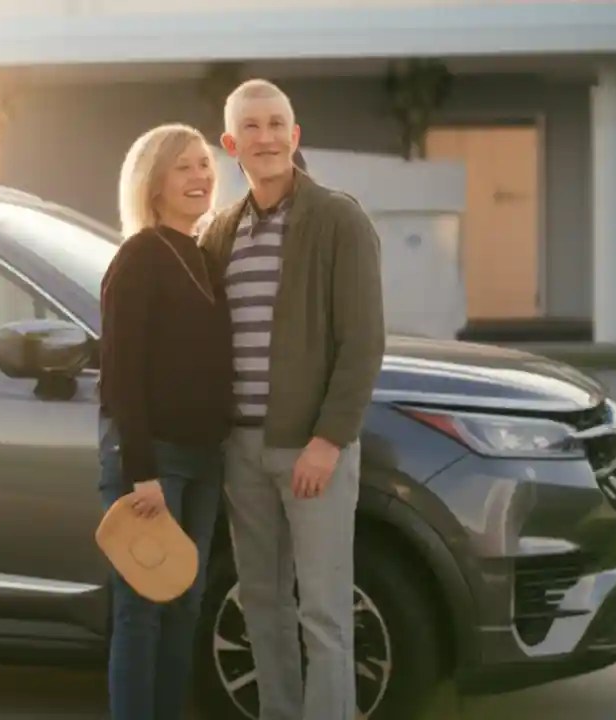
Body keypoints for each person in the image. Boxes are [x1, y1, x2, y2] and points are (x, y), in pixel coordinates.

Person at [200, 79, 386, 720]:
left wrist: (329, 441)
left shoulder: (339, 218)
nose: (267, 136)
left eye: (278, 123)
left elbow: (362, 342)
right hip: (242, 451)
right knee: (263, 607)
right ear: (232, 144)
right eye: (251, 126)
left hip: (312, 451)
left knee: (325, 612)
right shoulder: (219, 233)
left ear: (295, 135)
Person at [97, 123, 234, 720]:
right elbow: (120, 375)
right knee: (141, 608)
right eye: (183, 167)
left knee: (187, 604)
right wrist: (140, 473)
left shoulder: (204, 257)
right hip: (153, 462)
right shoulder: (138, 257)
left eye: (204, 164)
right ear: (153, 183)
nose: (200, 177)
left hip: (205, 458)